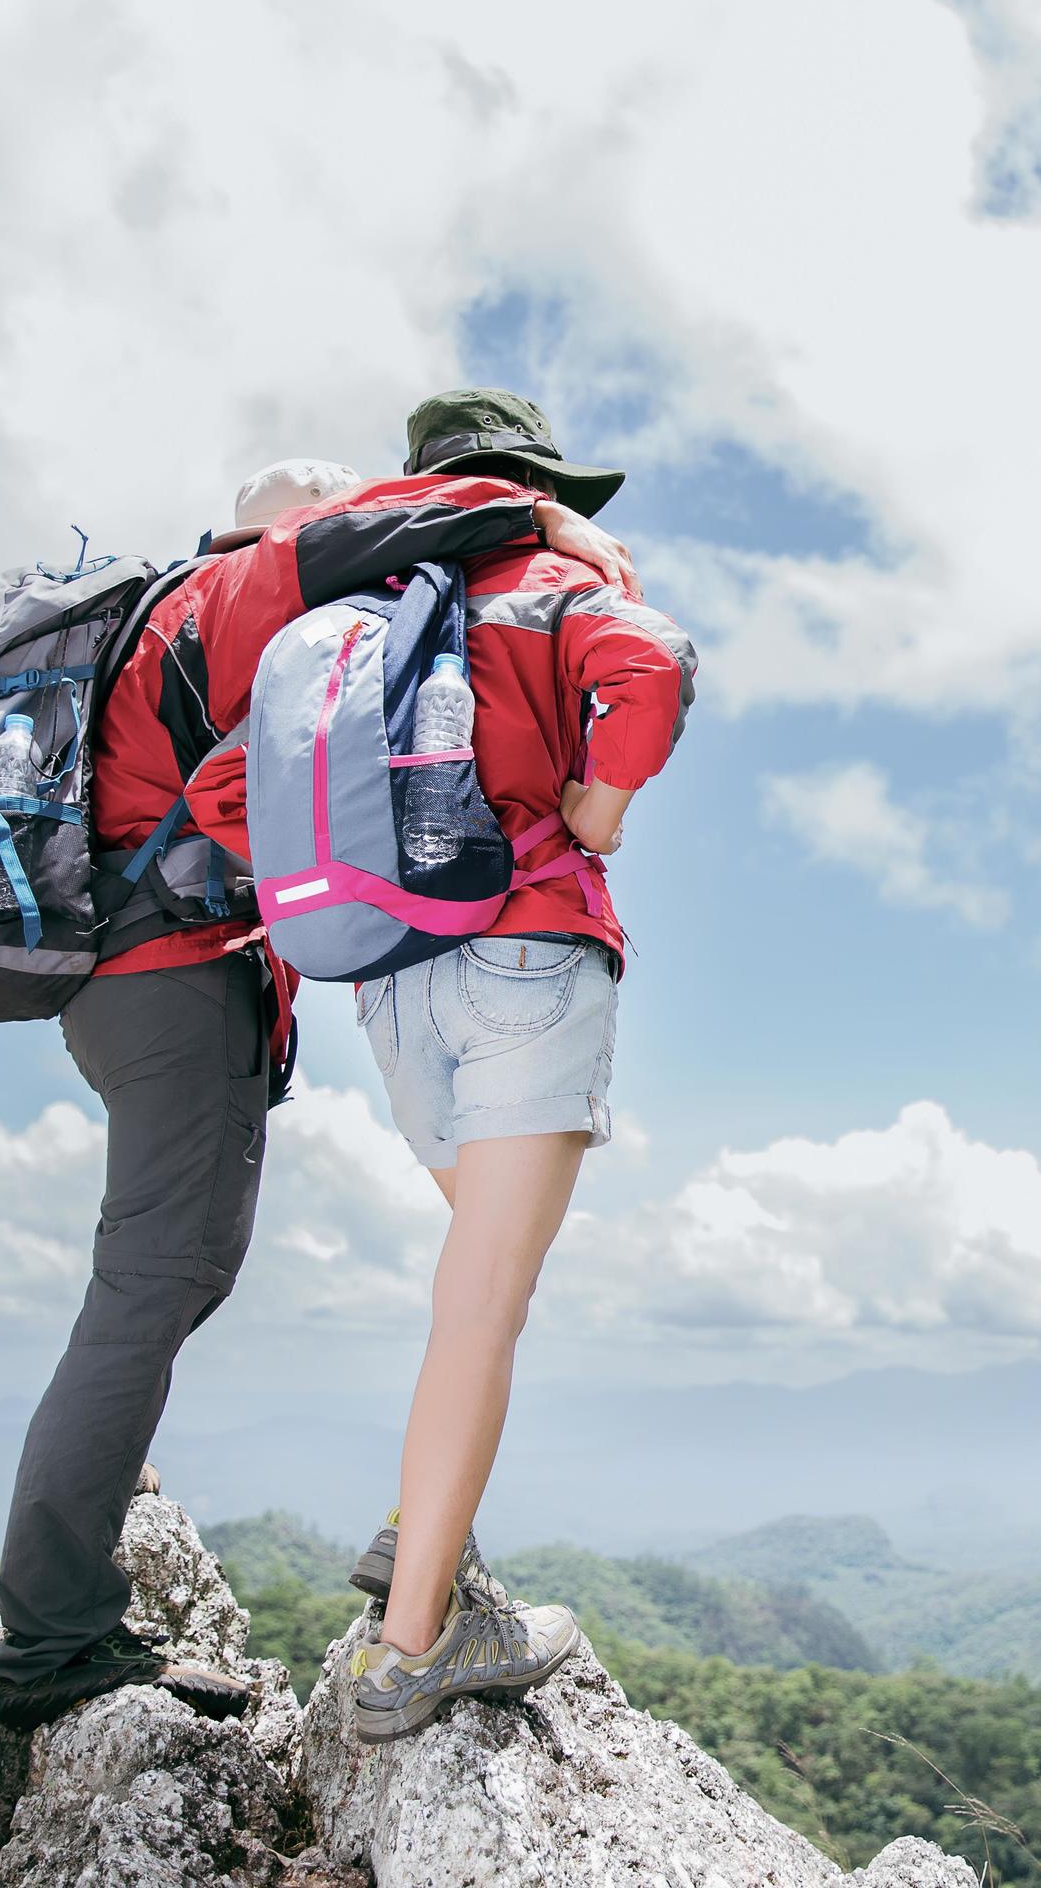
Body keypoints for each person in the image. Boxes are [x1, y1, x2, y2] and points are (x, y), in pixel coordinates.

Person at [0, 442, 640, 1732]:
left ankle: (74, 1607)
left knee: (172, 1279)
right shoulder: (240, 594)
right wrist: (540, 514)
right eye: (350, 532)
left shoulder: (170, 623)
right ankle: (53, 1642)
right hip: (165, 981)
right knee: (152, 1287)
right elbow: (377, 533)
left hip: (132, 983)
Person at [330, 389, 697, 1743]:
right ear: (522, 478)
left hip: (392, 979)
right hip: (530, 953)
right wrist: (595, 809)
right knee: (482, 1306)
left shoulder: (349, 609)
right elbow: (652, 670)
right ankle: (411, 1650)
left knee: (471, 1285)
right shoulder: (549, 578)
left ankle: (410, 1531)